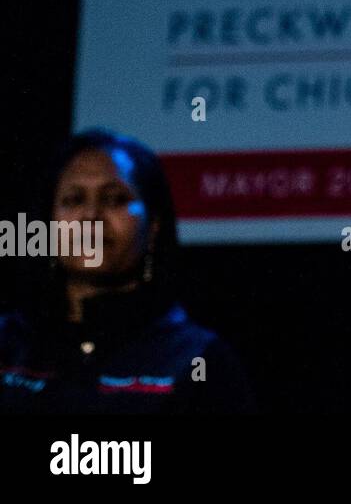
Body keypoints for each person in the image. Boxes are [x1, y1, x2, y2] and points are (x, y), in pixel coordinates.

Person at [0, 128, 255, 412]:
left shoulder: (196, 359)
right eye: (74, 200)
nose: (91, 216)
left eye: (115, 199)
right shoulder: (8, 344)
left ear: (154, 225)